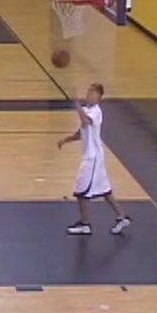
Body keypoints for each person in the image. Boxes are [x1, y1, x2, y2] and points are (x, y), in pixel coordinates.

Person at [57, 83, 131, 235]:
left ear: (99, 98)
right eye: (89, 92)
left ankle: (85, 224)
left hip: (93, 158)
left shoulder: (96, 112)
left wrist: (76, 105)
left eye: (93, 93)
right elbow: (81, 132)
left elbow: (85, 122)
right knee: (105, 191)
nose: (89, 95)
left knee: (80, 190)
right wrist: (65, 140)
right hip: (95, 157)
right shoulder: (86, 110)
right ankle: (122, 217)